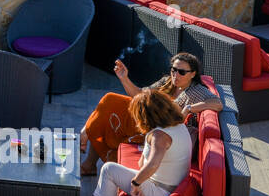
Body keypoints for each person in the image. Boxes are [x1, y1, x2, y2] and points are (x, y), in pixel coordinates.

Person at [79, 51, 220, 176]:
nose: (175, 75)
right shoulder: (167, 81)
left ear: (193, 74)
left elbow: (218, 103)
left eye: (181, 72)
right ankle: (88, 148)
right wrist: (124, 78)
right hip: (146, 120)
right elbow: (140, 95)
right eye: (173, 70)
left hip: (156, 133)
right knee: (110, 102)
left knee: (110, 115)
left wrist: (189, 108)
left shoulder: (195, 90)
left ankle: (87, 142)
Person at [85, 89, 192, 196]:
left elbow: (152, 164)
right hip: (169, 186)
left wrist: (136, 183)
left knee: (108, 169)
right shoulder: (178, 125)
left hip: (160, 192)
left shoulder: (159, 136)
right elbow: (145, 162)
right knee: (116, 170)